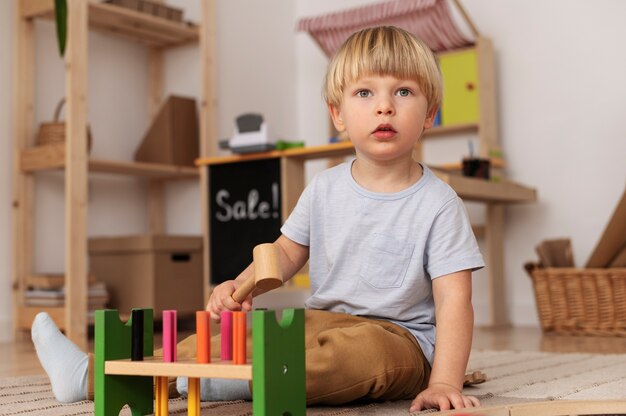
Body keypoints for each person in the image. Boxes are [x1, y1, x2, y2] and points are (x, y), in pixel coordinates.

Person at [31, 26, 484, 412]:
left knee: (353, 356)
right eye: (364, 93)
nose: (384, 106)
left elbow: (453, 301)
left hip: (398, 340)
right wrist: (240, 286)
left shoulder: (438, 203)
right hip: (322, 320)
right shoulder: (324, 188)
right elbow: (285, 254)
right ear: (338, 114)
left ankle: (224, 382)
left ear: (428, 114)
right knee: (241, 336)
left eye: (402, 92)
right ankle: (91, 375)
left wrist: (445, 380)